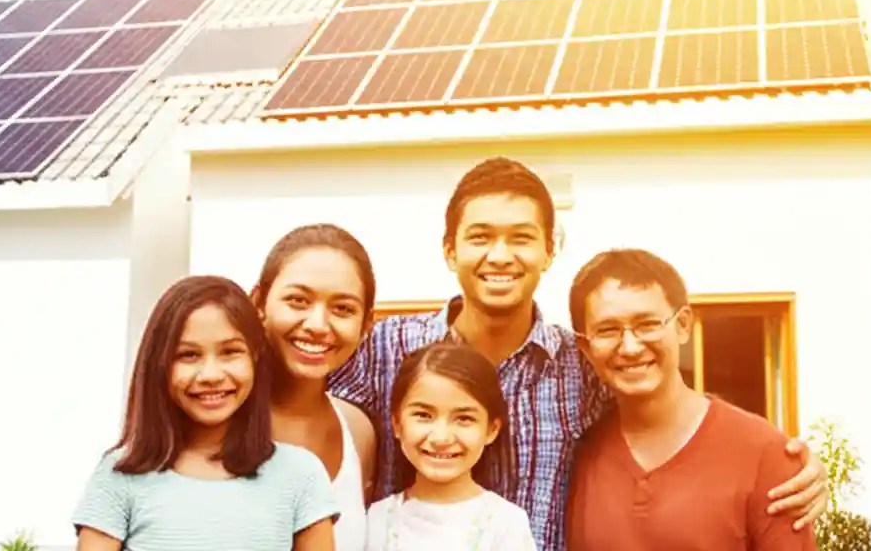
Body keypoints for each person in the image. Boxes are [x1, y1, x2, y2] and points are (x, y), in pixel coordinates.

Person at [328, 156, 828, 551]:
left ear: (549, 249)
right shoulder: (385, 350)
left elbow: (666, 412)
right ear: (449, 250)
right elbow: (304, 416)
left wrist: (777, 462)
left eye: (521, 238)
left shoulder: (582, 363)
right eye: (480, 237)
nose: (500, 255)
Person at [564, 249, 816, 550]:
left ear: (682, 325)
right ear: (584, 346)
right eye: (607, 330)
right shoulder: (579, 457)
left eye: (647, 324)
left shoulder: (764, 455)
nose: (630, 347)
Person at [71, 275, 339, 551]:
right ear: (159, 366)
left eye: (230, 352)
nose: (210, 375)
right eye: (188, 355)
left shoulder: (300, 476)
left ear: (255, 358)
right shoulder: (119, 475)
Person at [252, 224, 380, 550]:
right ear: (259, 303)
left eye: (343, 309)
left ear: (366, 324)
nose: (317, 326)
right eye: (298, 300)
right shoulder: (214, 422)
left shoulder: (357, 431)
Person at [365, 342, 536, 550]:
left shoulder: (506, 525)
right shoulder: (375, 520)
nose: (441, 438)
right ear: (397, 424)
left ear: (492, 429)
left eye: (463, 418)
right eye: (423, 415)